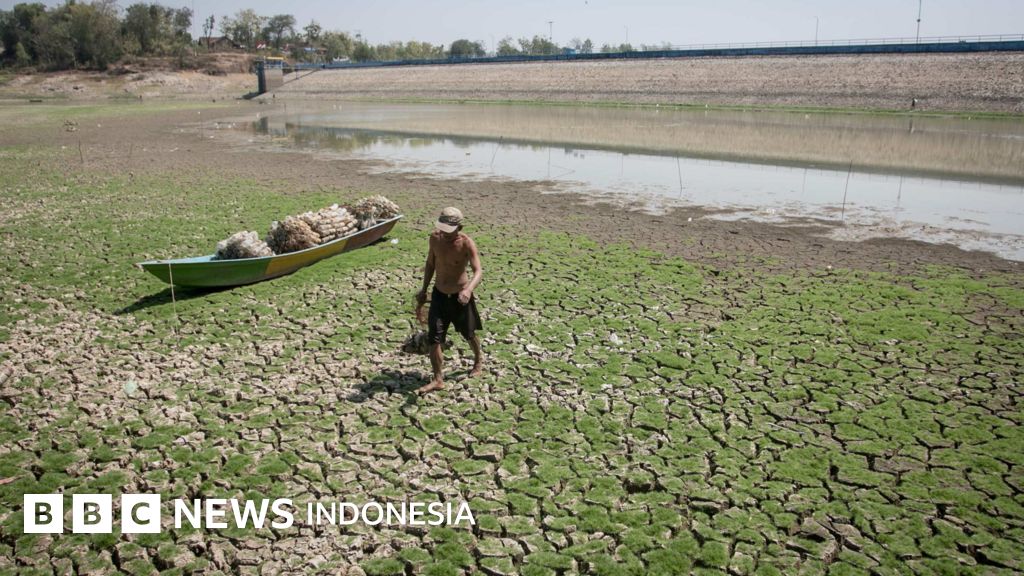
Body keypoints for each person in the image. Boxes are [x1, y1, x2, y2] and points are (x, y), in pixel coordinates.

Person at [414, 207, 483, 394]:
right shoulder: (435, 239)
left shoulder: (466, 243)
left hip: (460, 297)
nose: (444, 233)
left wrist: (468, 290)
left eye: (449, 230)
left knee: (469, 333)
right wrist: (424, 289)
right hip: (439, 295)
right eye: (442, 228)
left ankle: (478, 360)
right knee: (434, 338)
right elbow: (430, 264)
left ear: (459, 227)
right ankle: (438, 379)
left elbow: (478, 271)